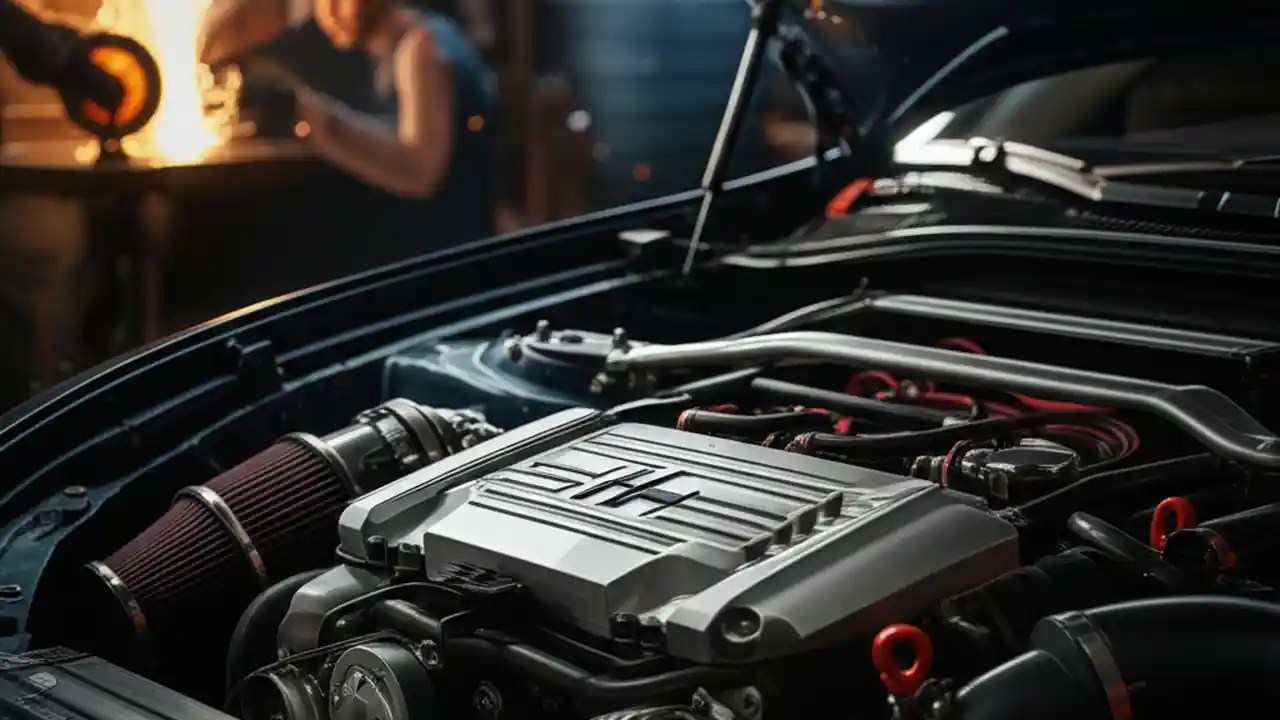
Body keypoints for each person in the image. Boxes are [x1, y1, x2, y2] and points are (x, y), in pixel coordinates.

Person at [199, 0, 494, 238]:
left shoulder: (421, 50)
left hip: (450, 250)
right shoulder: (401, 48)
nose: (320, 13)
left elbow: (420, 170)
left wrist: (302, 112)